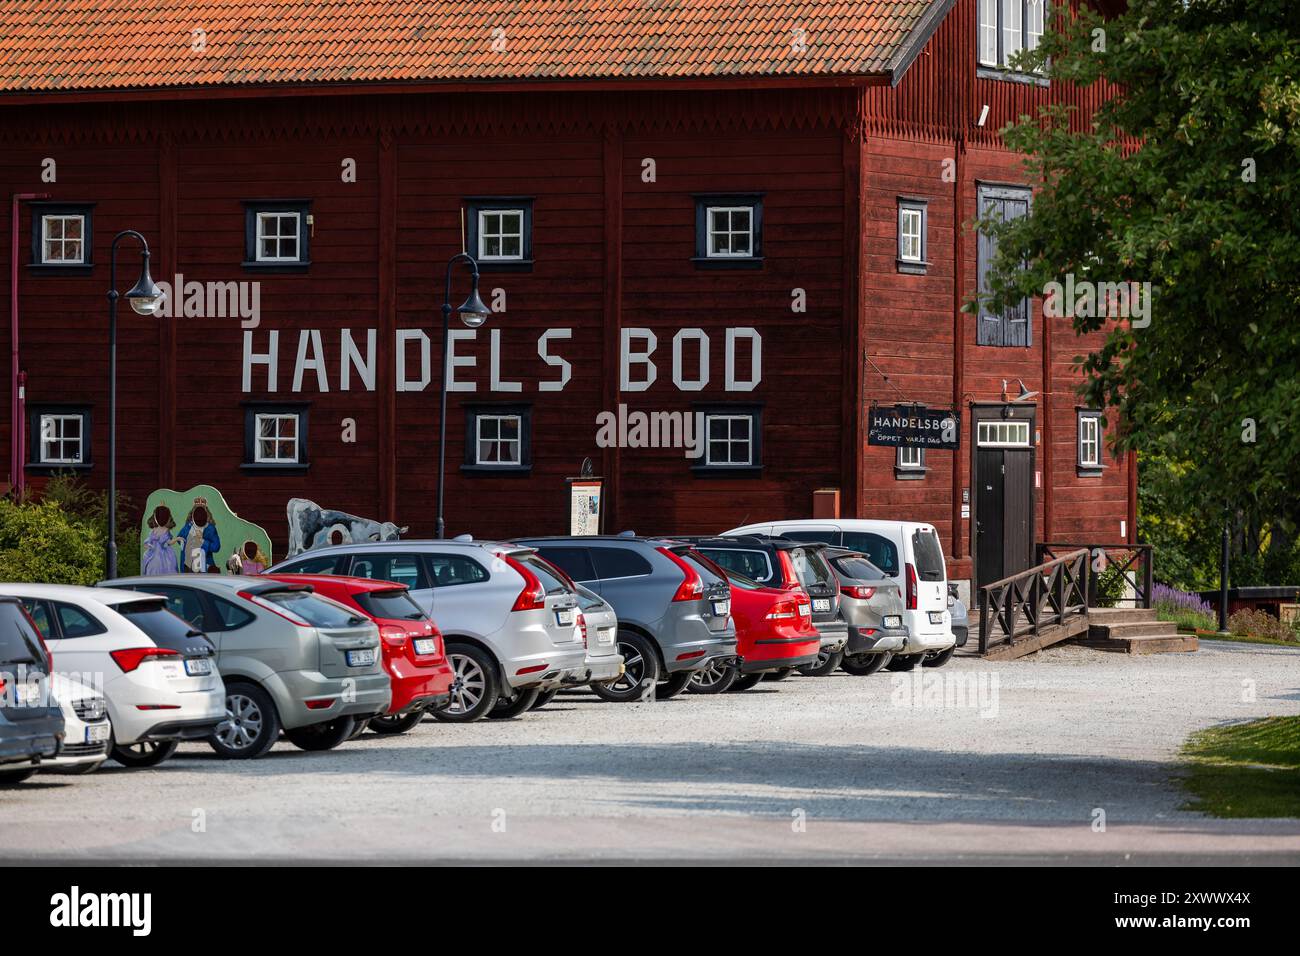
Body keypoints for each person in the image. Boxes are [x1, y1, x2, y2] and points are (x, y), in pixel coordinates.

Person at [178, 497, 221, 573]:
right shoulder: (188, 526)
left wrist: (203, 541)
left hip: (204, 564)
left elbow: (216, 547)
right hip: (188, 565)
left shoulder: (210, 528)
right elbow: (180, 538)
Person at [142, 505, 179, 575]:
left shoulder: (162, 530)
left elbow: (168, 542)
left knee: (167, 565)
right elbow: (148, 542)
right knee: (162, 565)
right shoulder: (156, 529)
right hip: (156, 552)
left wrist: (177, 539)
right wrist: (149, 545)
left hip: (160, 552)